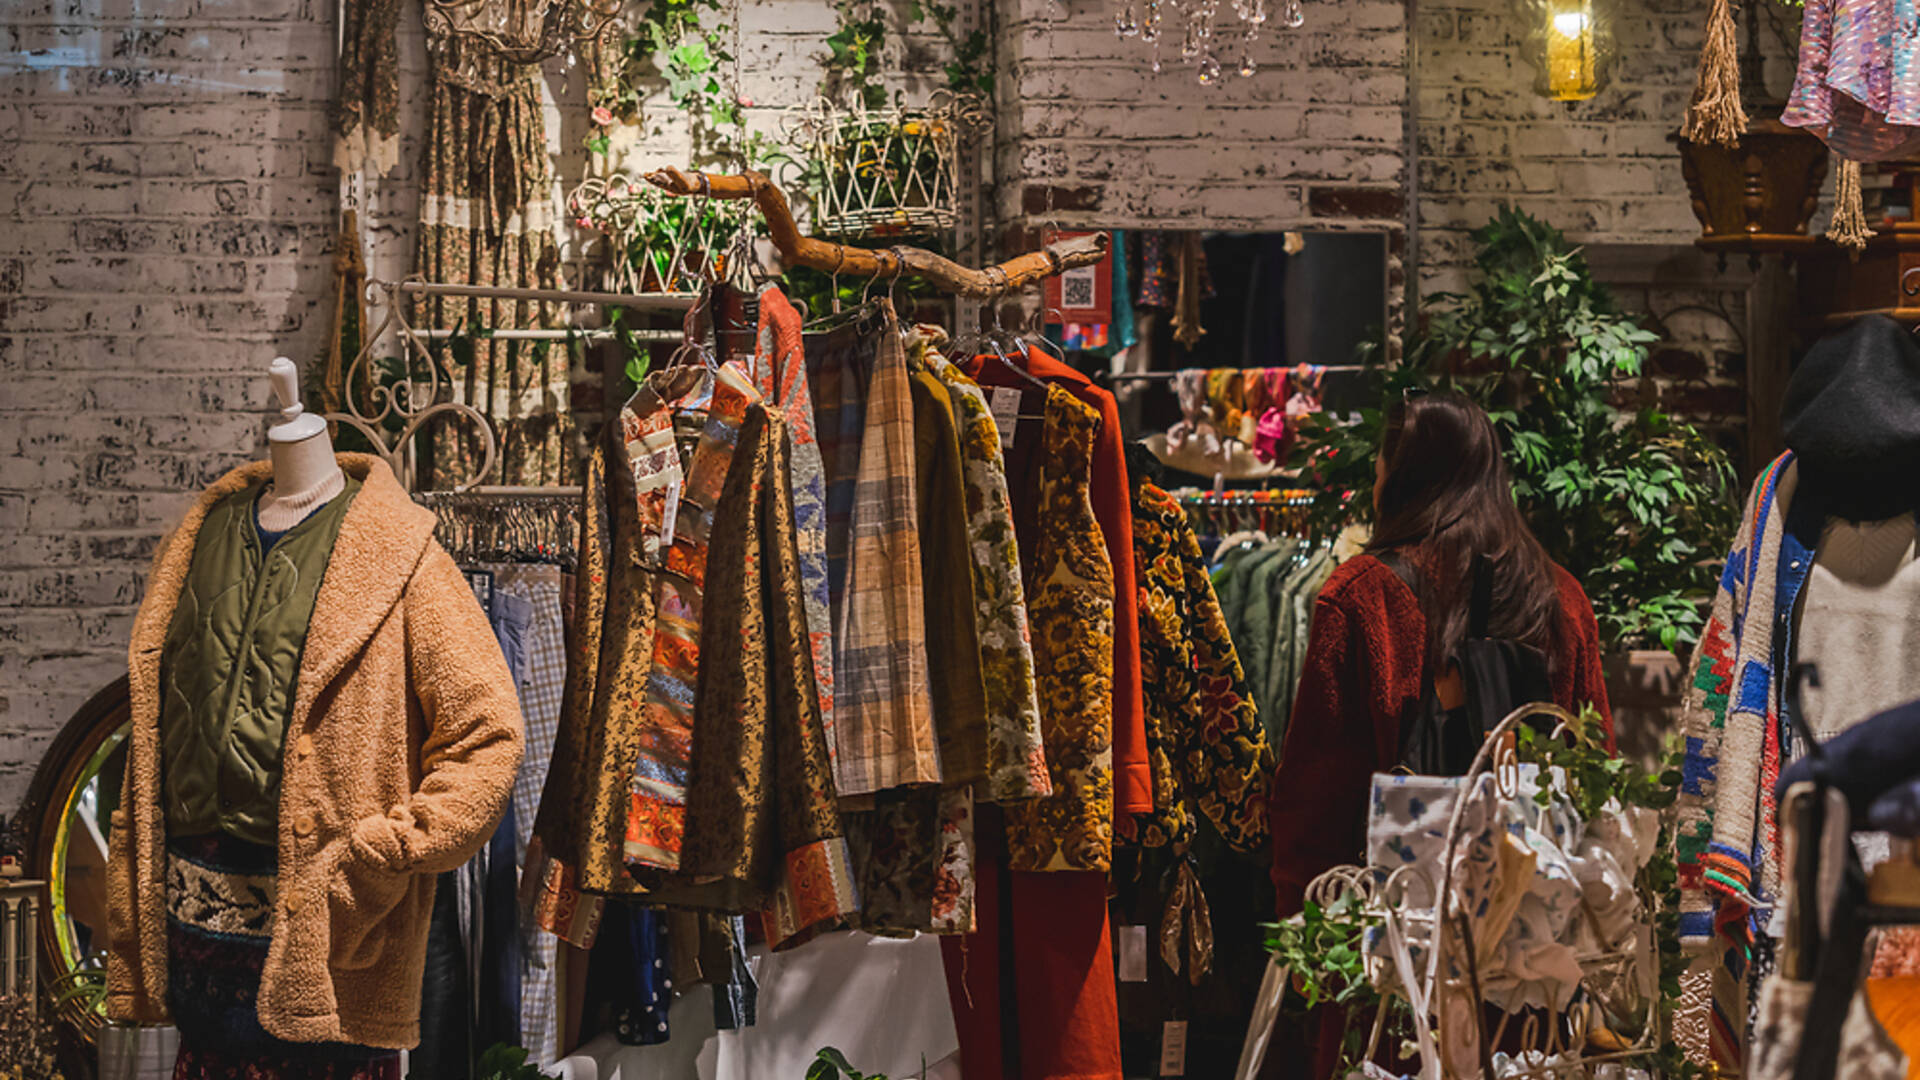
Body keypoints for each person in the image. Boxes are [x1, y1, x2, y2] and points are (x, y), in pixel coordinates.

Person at [1269, 389, 1615, 918]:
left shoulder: (1363, 596)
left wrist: (1307, 919)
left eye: (1379, 467)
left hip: (1394, 944)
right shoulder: (1561, 597)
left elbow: (1317, 795)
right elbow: (1596, 767)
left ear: (1401, 478)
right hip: (1536, 940)